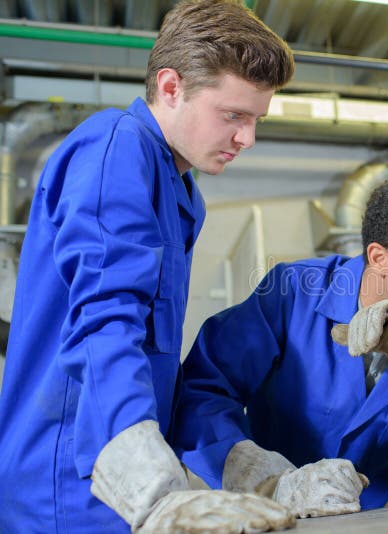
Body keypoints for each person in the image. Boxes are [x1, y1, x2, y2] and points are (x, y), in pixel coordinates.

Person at [0, 1, 296, 532]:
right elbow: (105, 323)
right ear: (170, 86)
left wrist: (249, 468)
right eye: (233, 115)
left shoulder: (183, 192)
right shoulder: (117, 149)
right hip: (71, 485)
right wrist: (151, 483)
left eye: (256, 120)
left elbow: (155, 359)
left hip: (122, 483)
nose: (247, 138)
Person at [172, 173, 388, 511]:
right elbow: (200, 393)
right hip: (269, 514)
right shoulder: (293, 293)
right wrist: (264, 480)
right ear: (380, 259)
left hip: (364, 520)